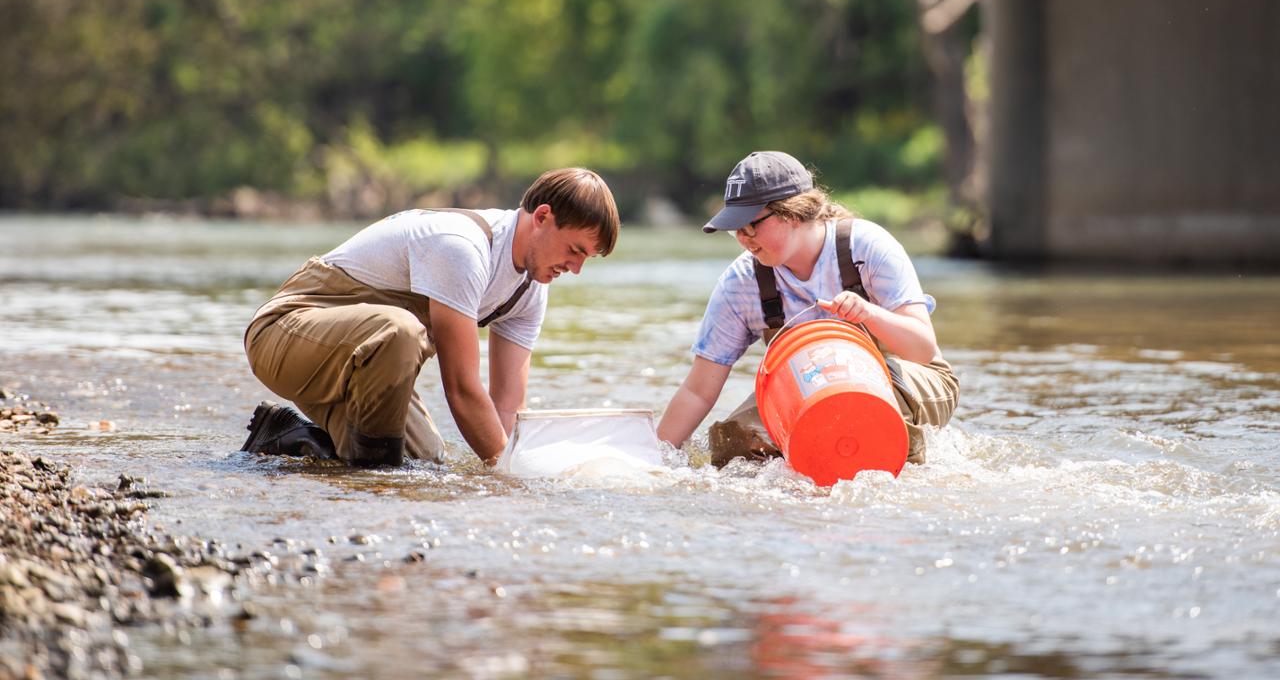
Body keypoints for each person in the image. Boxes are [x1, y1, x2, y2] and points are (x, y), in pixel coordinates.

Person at [240, 168, 620, 467]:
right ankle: (371, 476)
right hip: (282, 334)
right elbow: (462, 388)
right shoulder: (462, 248)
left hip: (363, 363)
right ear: (542, 216)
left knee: (427, 465)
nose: (576, 268)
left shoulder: (530, 290)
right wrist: (509, 478)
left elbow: (507, 408)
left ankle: (288, 441)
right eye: (575, 250)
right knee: (400, 332)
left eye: (587, 258)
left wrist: (515, 477)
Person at [656, 151, 957, 467]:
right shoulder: (741, 283)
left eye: (750, 226)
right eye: (735, 230)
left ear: (793, 214)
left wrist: (869, 314)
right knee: (730, 444)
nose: (743, 239)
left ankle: (900, 466)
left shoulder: (867, 247)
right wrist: (655, 460)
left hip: (912, 378)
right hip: (807, 388)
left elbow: (922, 349)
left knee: (851, 397)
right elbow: (698, 391)